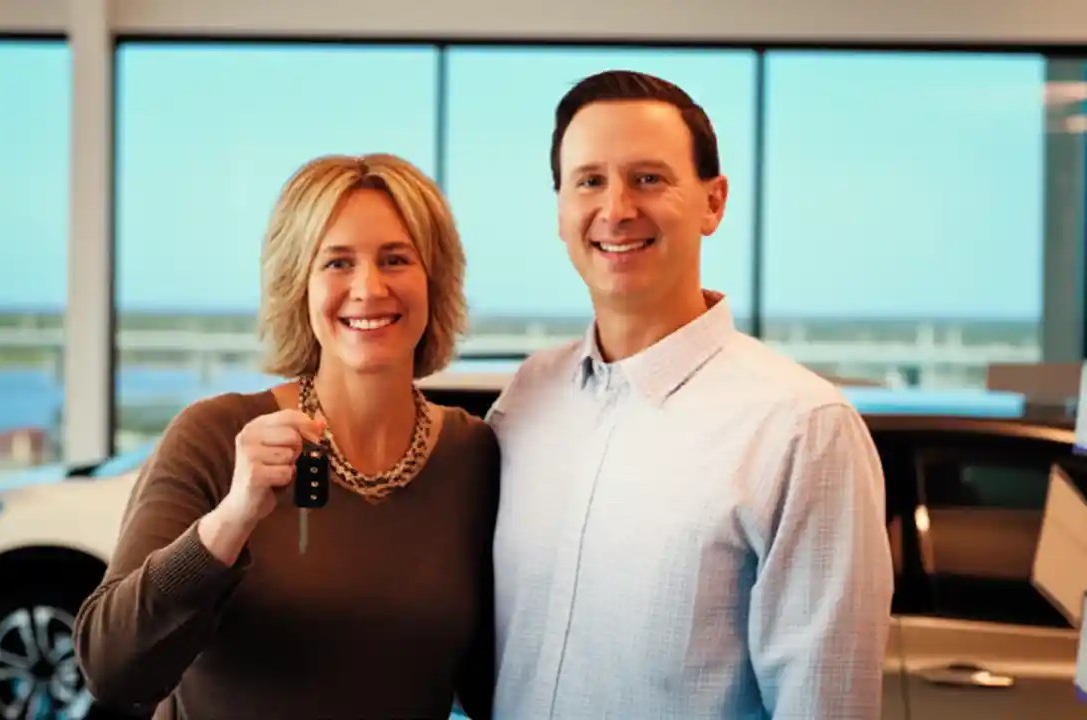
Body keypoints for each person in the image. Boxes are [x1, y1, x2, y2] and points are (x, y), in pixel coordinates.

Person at [486, 70, 894, 718]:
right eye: (589, 181)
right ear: (560, 210)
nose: (617, 209)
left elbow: (824, 705)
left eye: (648, 178)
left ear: (713, 202)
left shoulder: (802, 429)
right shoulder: (528, 400)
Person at [74, 153, 499, 720]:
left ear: (435, 280)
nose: (369, 287)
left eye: (396, 259)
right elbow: (110, 668)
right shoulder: (214, 437)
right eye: (337, 262)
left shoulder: (474, 456)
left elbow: (497, 676)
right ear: (297, 283)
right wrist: (232, 520)